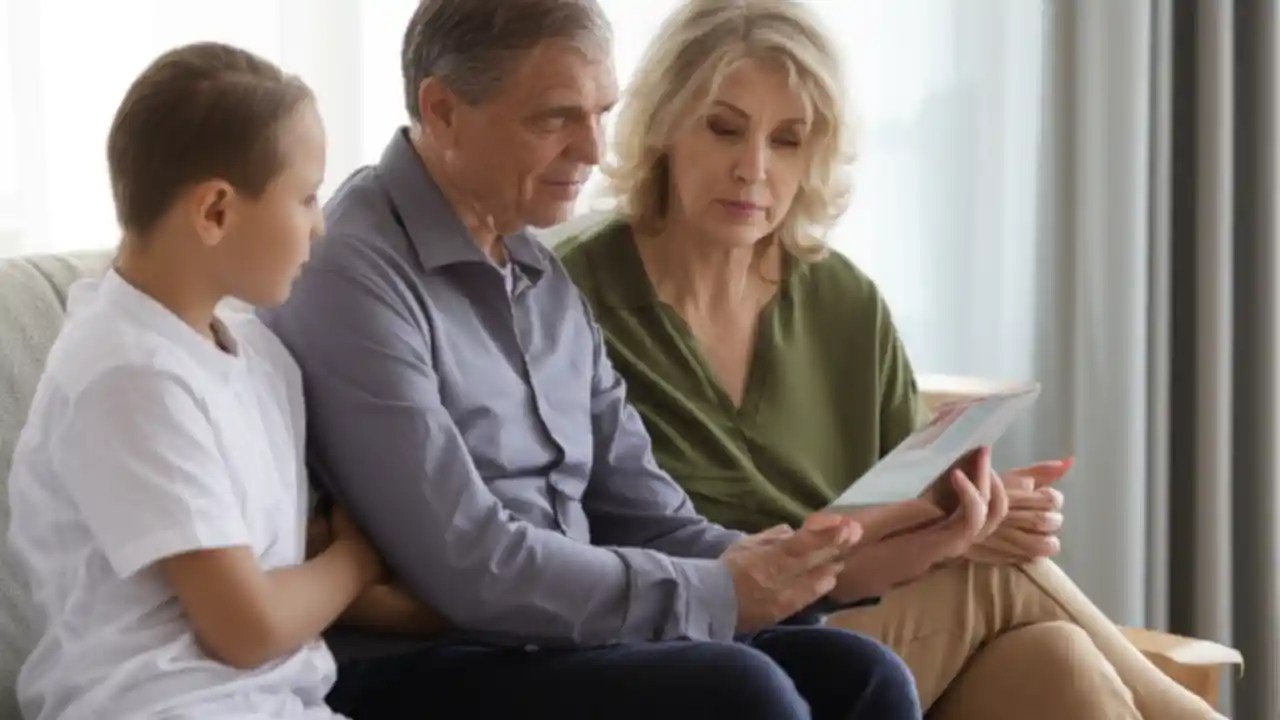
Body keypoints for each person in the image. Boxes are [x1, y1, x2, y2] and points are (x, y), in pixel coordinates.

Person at [258, 1, 986, 718]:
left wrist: (818, 568)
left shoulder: (538, 277)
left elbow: (651, 516)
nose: (593, 150)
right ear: (443, 110)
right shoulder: (353, 272)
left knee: (862, 676)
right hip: (428, 659)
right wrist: (725, 592)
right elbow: (468, 563)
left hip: (555, 645)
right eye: (554, 119)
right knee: (739, 694)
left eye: (600, 113)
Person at [558, 1, 1228, 719]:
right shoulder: (570, 297)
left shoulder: (842, 302)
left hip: (860, 630)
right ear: (663, 125)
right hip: (707, 653)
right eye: (725, 129)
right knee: (999, 585)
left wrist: (972, 516)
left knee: (1055, 659)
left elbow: (899, 511)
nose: (753, 169)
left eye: (788, 141)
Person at [6, 43, 387, 719]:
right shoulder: (125, 373)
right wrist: (358, 560)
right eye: (305, 197)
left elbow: (272, 568)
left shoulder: (259, 358)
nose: (320, 225)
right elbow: (248, 628)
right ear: (215, 210)